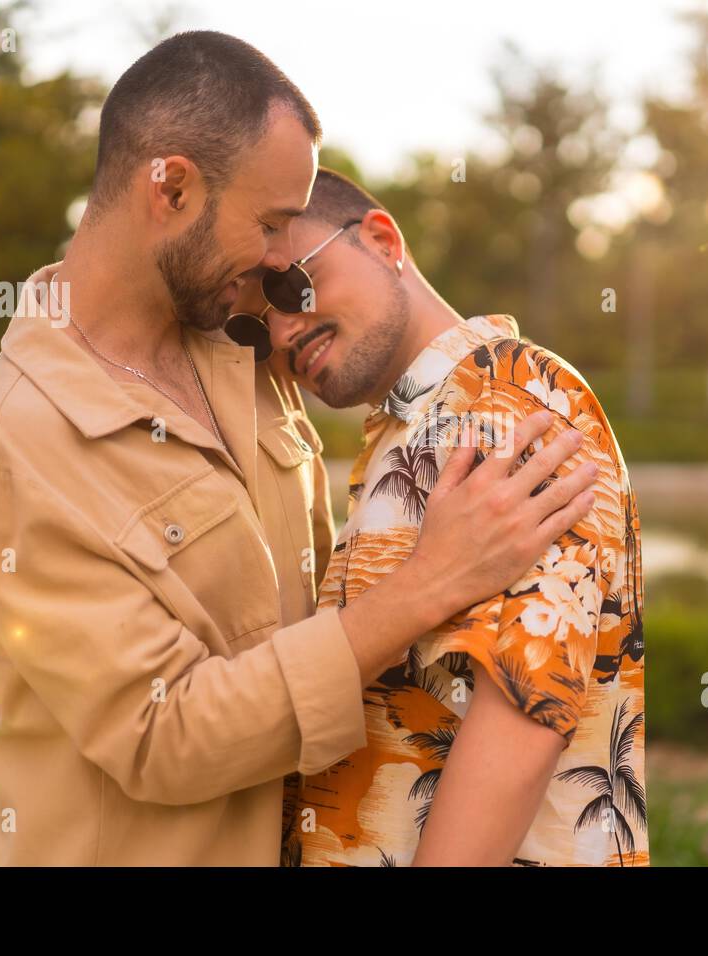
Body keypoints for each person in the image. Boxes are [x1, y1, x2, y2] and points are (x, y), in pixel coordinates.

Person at [0, 32, 595, 866]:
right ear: (170, 186)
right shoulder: (14, 443)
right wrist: (431, 583)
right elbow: (161, 734)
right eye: (271, 220)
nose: (283, 257)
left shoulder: (241, 348)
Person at [244, 169, 647, 867]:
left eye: (291, 286)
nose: (282, 330)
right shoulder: (411, 427)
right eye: (257, 322)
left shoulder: (509, 396)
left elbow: (523, 716)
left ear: (381, 240)